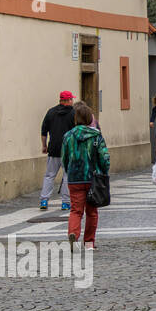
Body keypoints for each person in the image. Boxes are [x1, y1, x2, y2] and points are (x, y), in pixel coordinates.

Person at [61, 102, 108, 249]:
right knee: (92, 212)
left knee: (76, 210)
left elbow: (64, 158)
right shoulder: (96, 135)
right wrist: (104, 172)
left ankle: (73, 233)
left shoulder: (68, 136)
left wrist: (70, 171)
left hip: (75, 179)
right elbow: (104, 158)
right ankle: (89, 243)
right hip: (92, 178)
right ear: (89, 118)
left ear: (75, 119)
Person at [40, 90, 77, 210]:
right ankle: (66, 202)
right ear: (68, 100)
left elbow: (44, 131)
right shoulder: (73, 113)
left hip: (54, 149)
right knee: (67, 176)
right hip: (68, 150)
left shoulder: (51, 112)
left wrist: (44, 146)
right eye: (72, 99)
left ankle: (44, 201)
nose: (73, 101)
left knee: (49, 175)